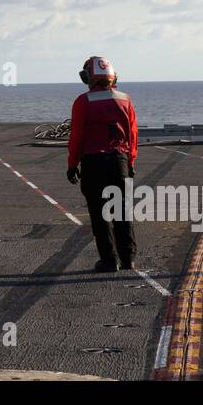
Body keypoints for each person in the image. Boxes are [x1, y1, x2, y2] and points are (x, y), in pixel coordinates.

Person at [65, 56, 138, 272]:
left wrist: (72, 165)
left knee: (100, 214)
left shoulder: (83, 101)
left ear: (90, 77)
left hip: (93, 163)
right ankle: (128, 258)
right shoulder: (125, 99)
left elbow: (76, 136)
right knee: (122, 211)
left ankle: (109, 260)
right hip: (119, 161)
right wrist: (131, 161)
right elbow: (133, 134)